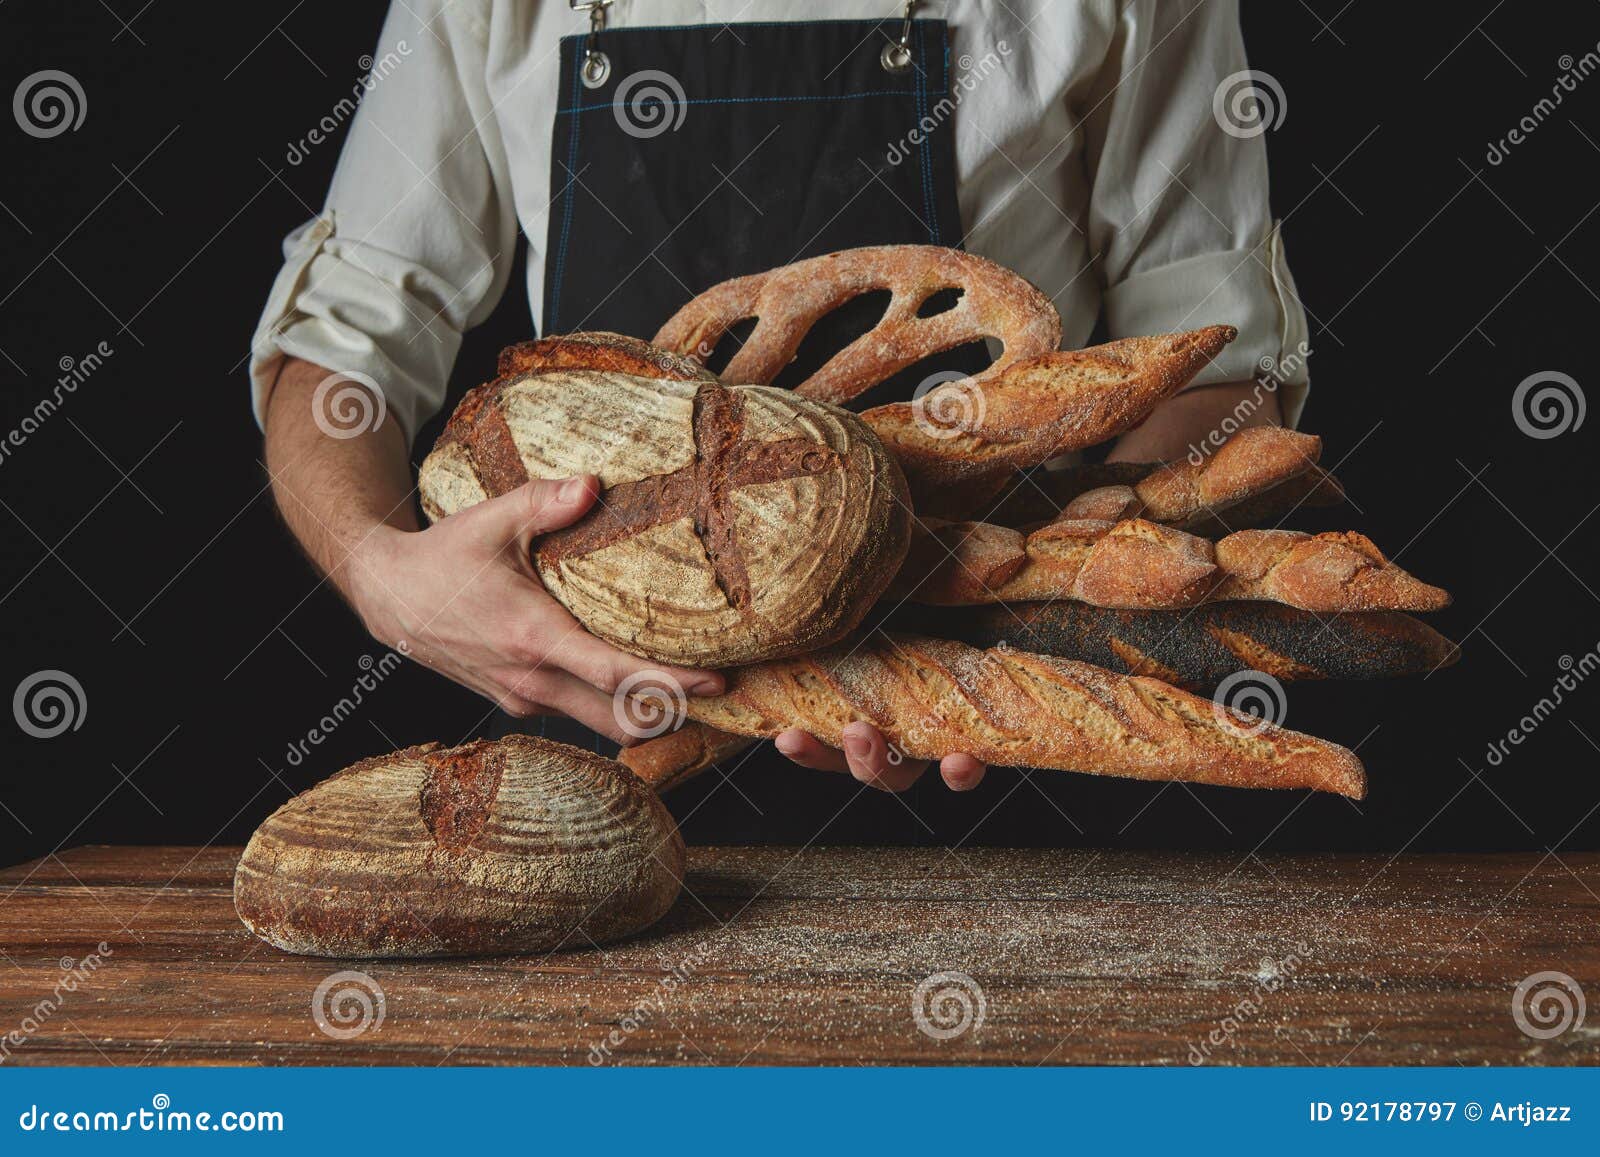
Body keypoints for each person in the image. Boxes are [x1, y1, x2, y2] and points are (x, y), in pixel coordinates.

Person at [251, 1, 1307, 816]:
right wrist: (383, 571)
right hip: (601, 756)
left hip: (1004, 729)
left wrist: (1062, 578)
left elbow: (1223, 361)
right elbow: (338, 350)